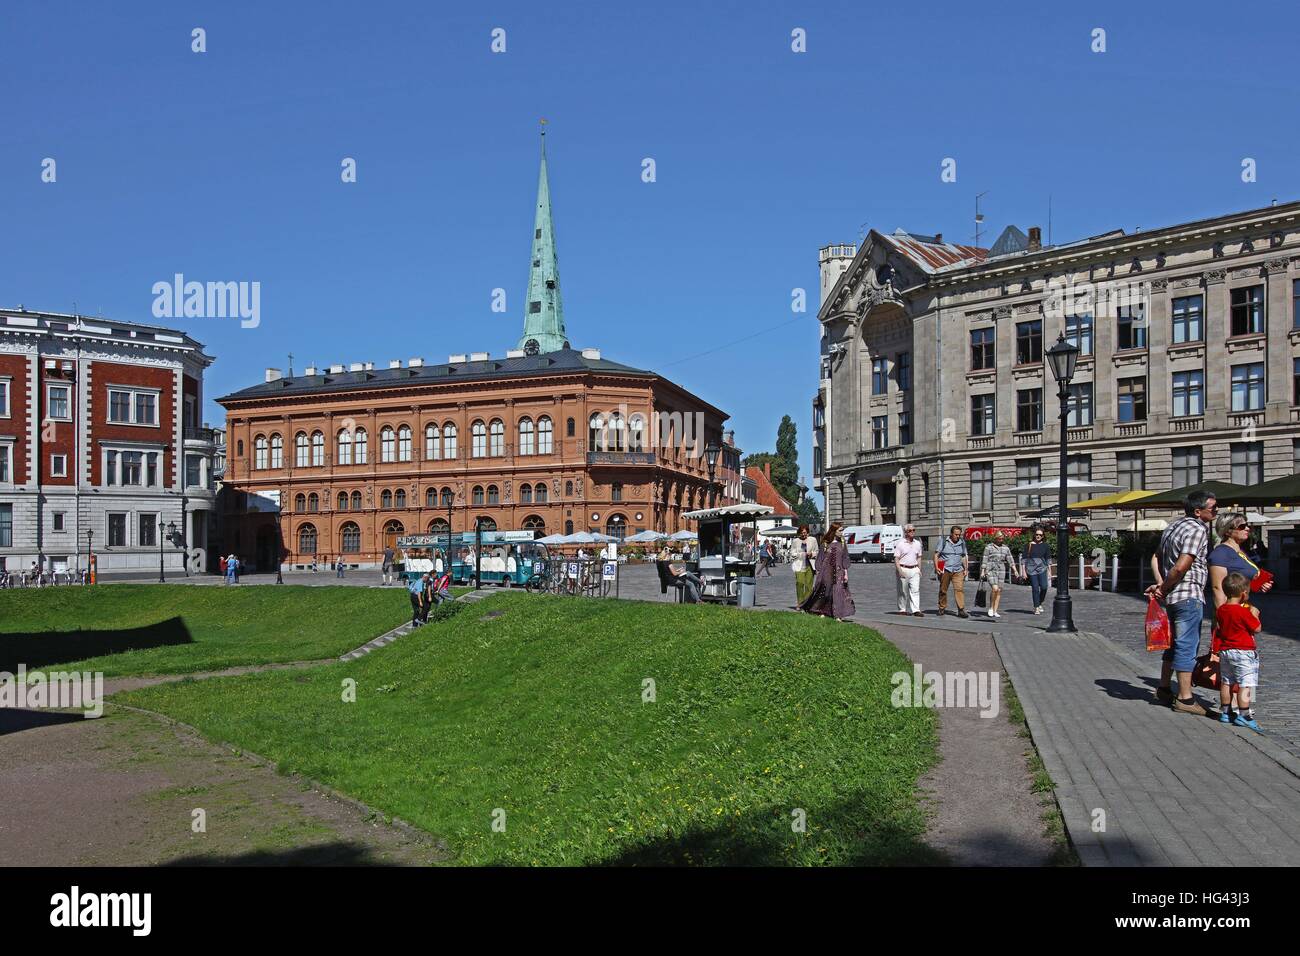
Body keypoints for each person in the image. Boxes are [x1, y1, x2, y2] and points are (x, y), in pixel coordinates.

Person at [1146, 489, 1217, 715]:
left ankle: (1164, 687)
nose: (1216, 511)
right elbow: (1181, 566)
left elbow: (1155, 557)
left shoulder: (1173, 526)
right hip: (1188, 594)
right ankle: (1185, 699)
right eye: (1213, 508)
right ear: (1198, 511)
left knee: (1174, 643)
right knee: (1187, 644)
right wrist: (1164, 587)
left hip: (1172, 597)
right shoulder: (1197, 529)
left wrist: (1160, 585)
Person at [1214, 572, 1262, 731]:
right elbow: (1257, 628)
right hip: (1243, 651)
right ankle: (1244, 715)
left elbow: (1220, 627)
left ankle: (1226, 712)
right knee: (1245, 684)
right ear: (1244, 594)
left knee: (1226, 682)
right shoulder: (1243, 611)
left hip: (1226, 650)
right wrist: (1254, 614)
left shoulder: (1221, 610)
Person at [799, 522, 855, 621]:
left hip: (839, 571)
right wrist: (818, 570)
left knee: (838, 592)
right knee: (824, 592)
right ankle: (821, 610)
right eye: (840, 530)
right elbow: (820, 558)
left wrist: (846, 573)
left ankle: (838, 615)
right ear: (834, 531)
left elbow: (845, 558)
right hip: (826, 571)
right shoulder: (825, 543)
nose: (842, 532)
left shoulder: (842, 542)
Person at [934, 526, 970, 618]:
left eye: (959, 534)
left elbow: (964, 556)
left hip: (958, 570)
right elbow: (936, 555)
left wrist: (966, 569)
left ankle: (961, 609)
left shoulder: (962, 542)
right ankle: (942, 607)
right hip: (945, 568)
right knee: (943, 590)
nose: (958, 536)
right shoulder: (943, 542)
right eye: (956, 534)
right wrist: (937, 567)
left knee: (959, 589)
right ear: (951, 534)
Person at [981, 532, 1013, 619]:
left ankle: (995, 610)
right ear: (995, 538)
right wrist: (983, 571)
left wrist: (1016, 571)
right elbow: (985, 559)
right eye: (999, 539)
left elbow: (1010, 560)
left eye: (1002, 539)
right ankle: (991, 607)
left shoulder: (1005, 548)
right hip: (991, 569)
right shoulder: (989, 547)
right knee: (994, 588)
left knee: (999, 590)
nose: (1001, 540)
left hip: (1001, 569)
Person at [894, 524, 924, 616]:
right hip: (903, 568)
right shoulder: (900, 543)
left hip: (914, 569)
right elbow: (896, 559)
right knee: (902, 591)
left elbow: (919, 557)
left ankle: (916, 610)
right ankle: (902, 609)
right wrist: (899, 571)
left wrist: (919, 569)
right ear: (905, 532)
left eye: (914, 530)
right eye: (910, 530)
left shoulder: (917, 543)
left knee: (915, 590)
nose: (912, 532)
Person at [1020, 527, 1052, 615]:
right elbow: (1024, 559)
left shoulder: (1045, 545)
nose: (1038, 536)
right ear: (1034, 535)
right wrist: (1023, 571)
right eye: (1037, 534)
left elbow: (1048, 558)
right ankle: (1036, 607)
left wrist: (1049, 571)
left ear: (1043, 536)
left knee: (1044, 587)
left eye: (1040, 535)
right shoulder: (1028, 545)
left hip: (1042, 568)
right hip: (1031, 569)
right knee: (1035, 588)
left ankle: (1040, 602)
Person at [790, 525, 819, 606]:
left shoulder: (813, 540)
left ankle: (806, 604)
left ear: (808, 532)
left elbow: (817, 551)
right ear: (799, 533)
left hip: (810, 565)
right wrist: (801, 554)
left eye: (805, 533)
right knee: (799, 583)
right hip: (799, 565)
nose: (803, 535)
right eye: (802, 533)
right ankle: (800, 602)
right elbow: (792, 553)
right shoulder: (796, 541)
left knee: (809, 585)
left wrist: (812, 554)